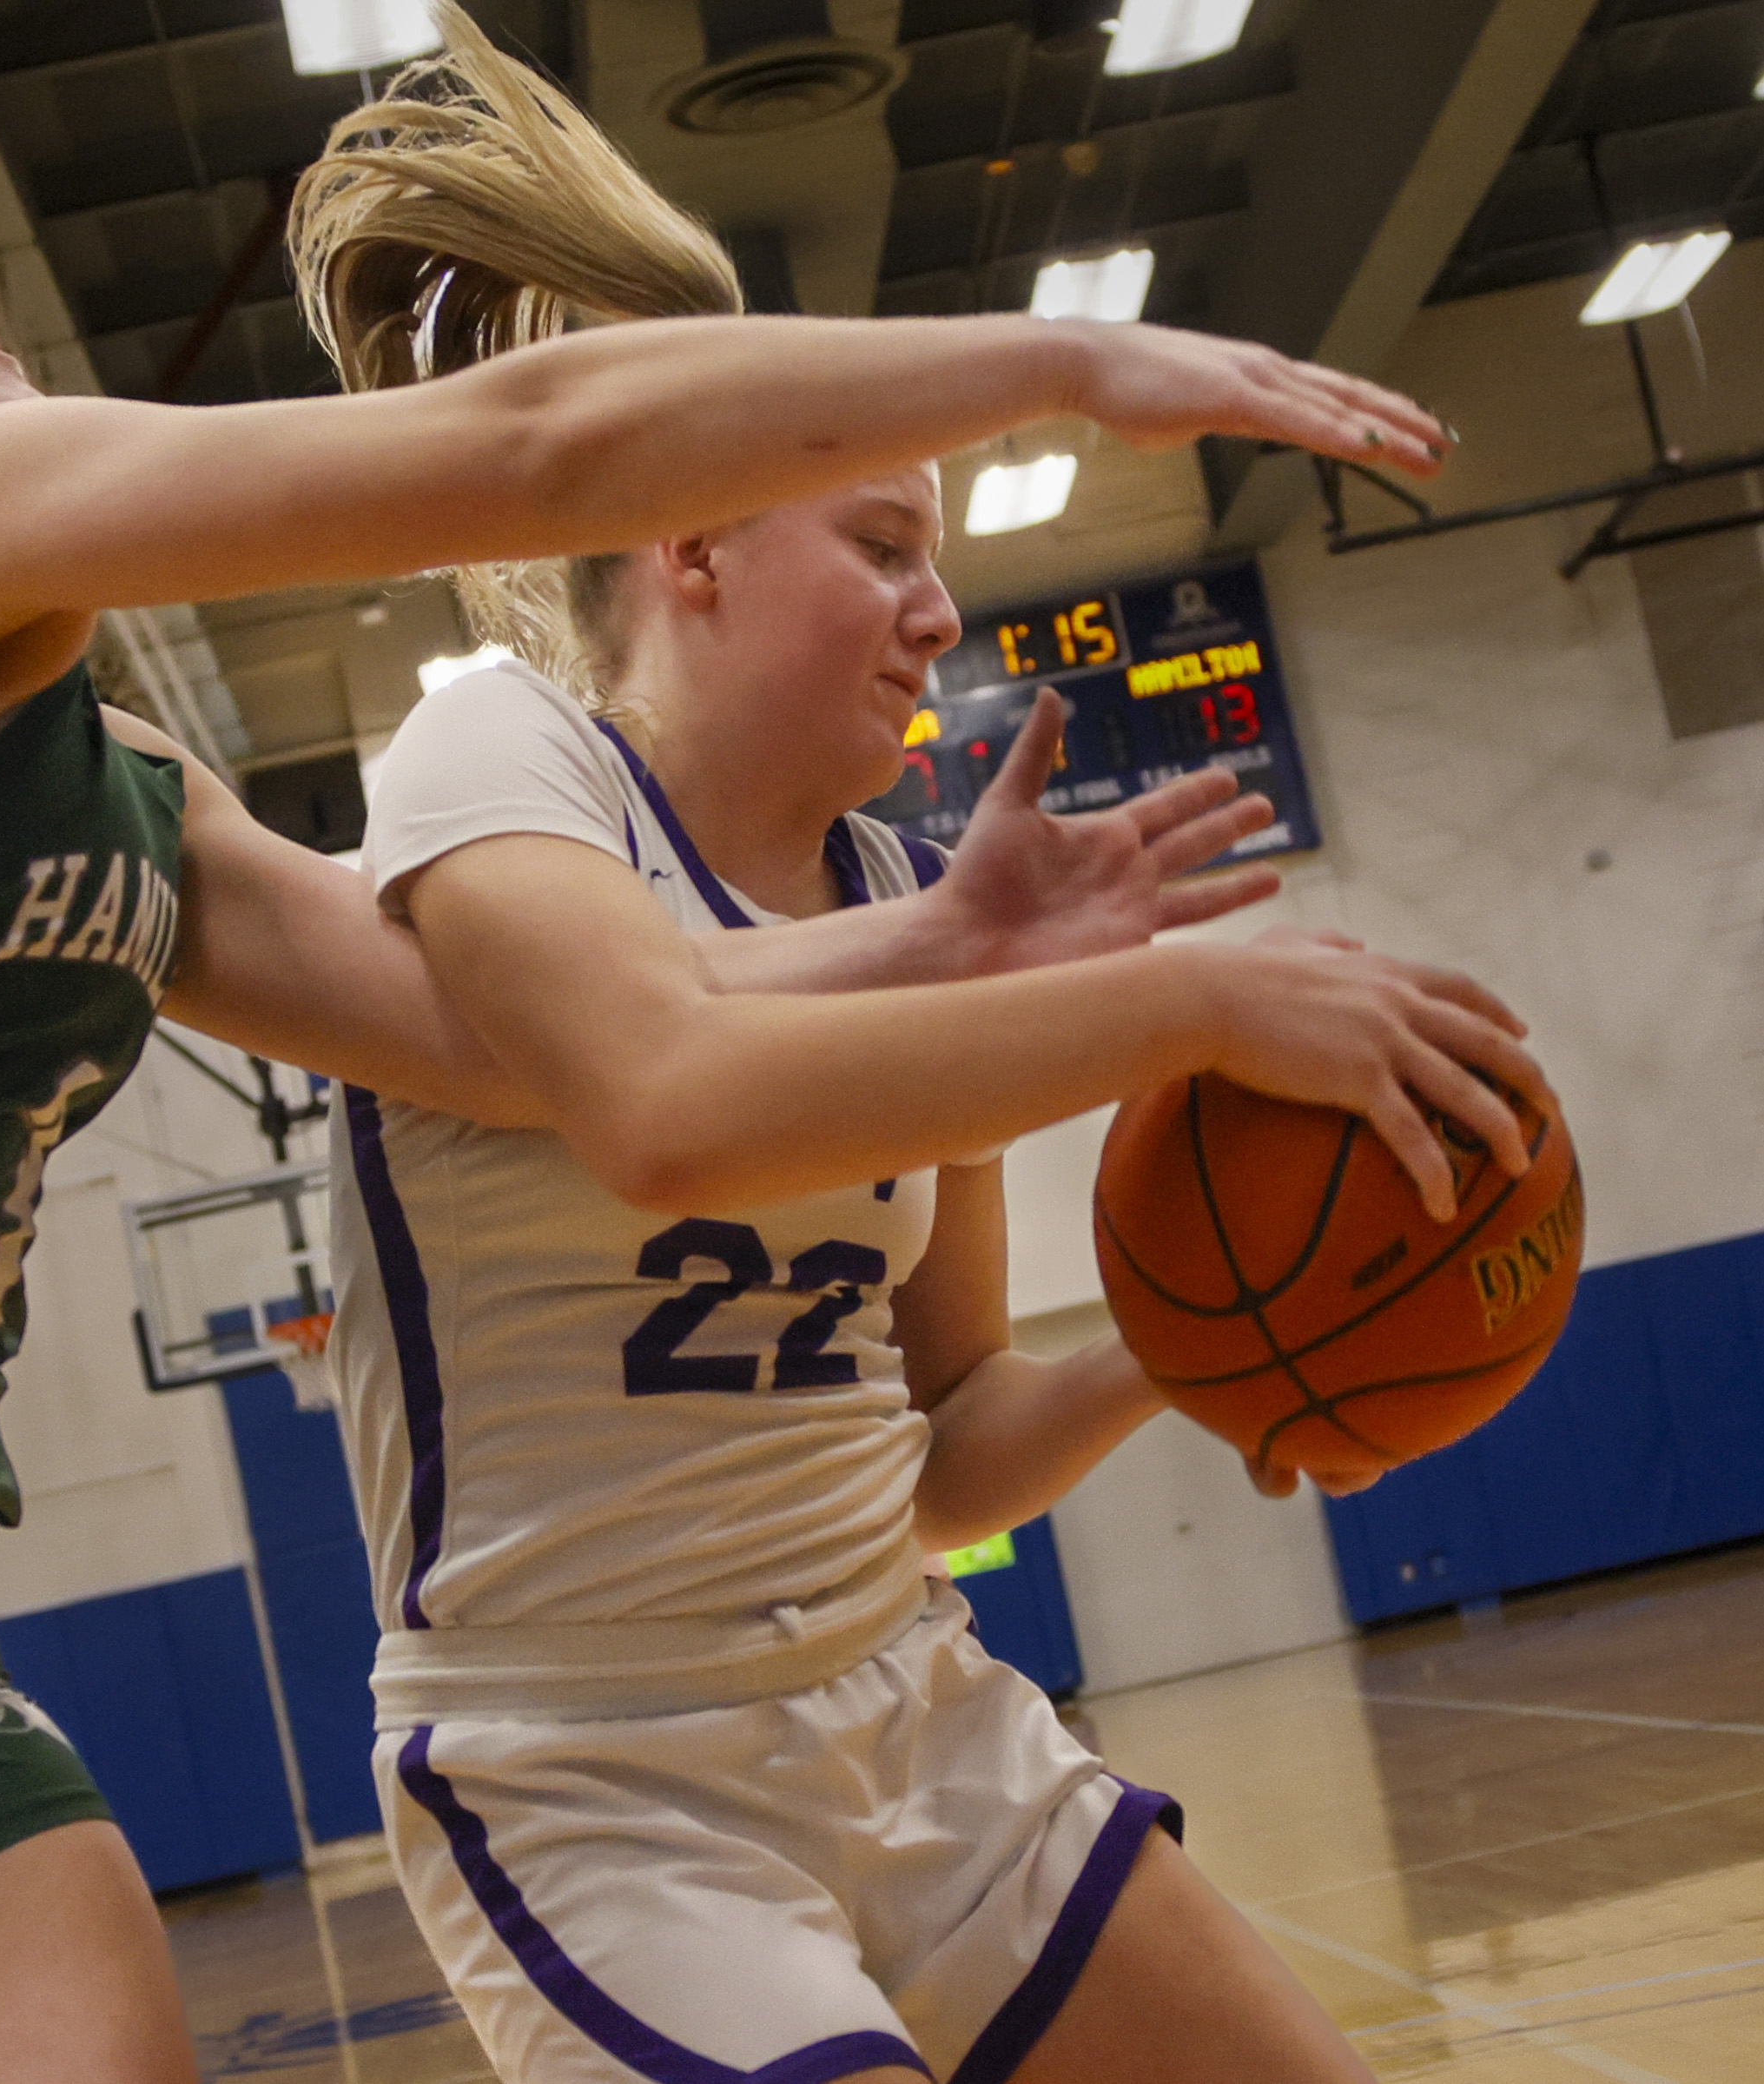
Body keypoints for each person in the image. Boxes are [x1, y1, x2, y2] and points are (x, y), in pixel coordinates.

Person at [0, 41, 1504, 2084]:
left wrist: (931, 939)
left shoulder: (114, 774)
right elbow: (522, 442)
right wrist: (1050, 359)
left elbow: (517, 1052)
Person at [287, 17, 1523, 2084]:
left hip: (912, 1696)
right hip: (597, 1763)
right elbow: (668, 1103)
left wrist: (1219, 1343)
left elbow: (942, 1436)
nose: (940, 610)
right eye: (883, 545)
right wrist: (1189, 1003)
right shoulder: (498, 755)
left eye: (934, 558)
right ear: (687, 544)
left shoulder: (923, 877)